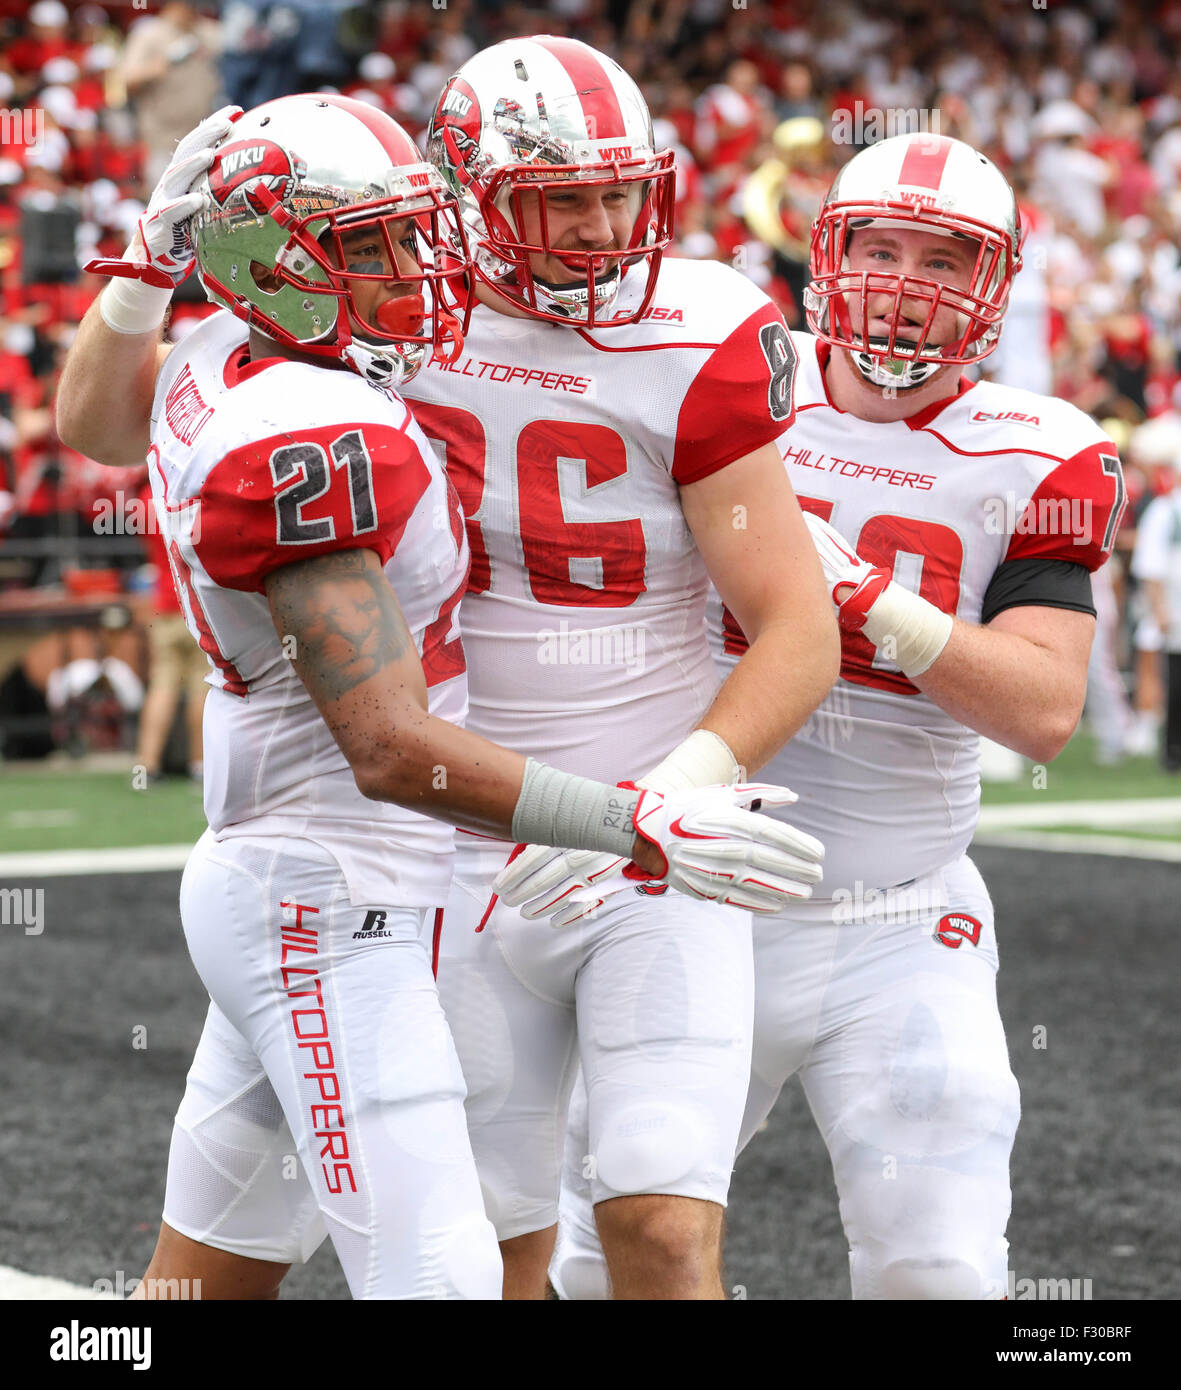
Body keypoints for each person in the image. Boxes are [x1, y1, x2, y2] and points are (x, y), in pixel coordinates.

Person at [57, 94, 828, 1300]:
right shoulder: (305, 428)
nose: (414, 271)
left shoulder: (221, 354)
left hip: (310, 872)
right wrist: (633, 818)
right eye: (367, 245)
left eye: (413, 233)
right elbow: (387, 748)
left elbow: (96, 416)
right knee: (441, 1278)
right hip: (334, 886)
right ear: (268, 259)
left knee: (200, 1279)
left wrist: (145, 275)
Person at [537, 132, 1128, 1300]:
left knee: (940, 1268)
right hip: (692, 893)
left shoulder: (1041, 449)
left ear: (994, 284)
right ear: (826, 252)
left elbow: (1046, 710)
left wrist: (868, 602)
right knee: (601, 1256)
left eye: (942, 260)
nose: (907, 285)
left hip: (898, 917)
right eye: (882, 246)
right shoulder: (722, 376)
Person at [1131, 452, 1181, 770]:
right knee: (1172, 681)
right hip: (1173, 614)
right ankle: (1170, 748)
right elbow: (1150, 565)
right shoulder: (1166, 511)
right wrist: (1160, 610)